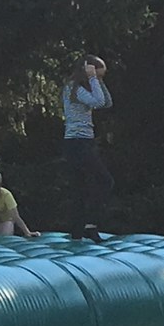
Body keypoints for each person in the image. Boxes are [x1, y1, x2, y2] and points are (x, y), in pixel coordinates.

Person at [61, 53, 114, 242]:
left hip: (84, 141)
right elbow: (98, 102)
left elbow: (107, 102)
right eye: (97, 74)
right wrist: (93, 78)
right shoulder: (73, 88)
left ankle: (80, 229)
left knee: (83, 187)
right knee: (104, 181)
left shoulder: (86, 87)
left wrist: (98, 80)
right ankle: (88, 225)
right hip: (77, 143)